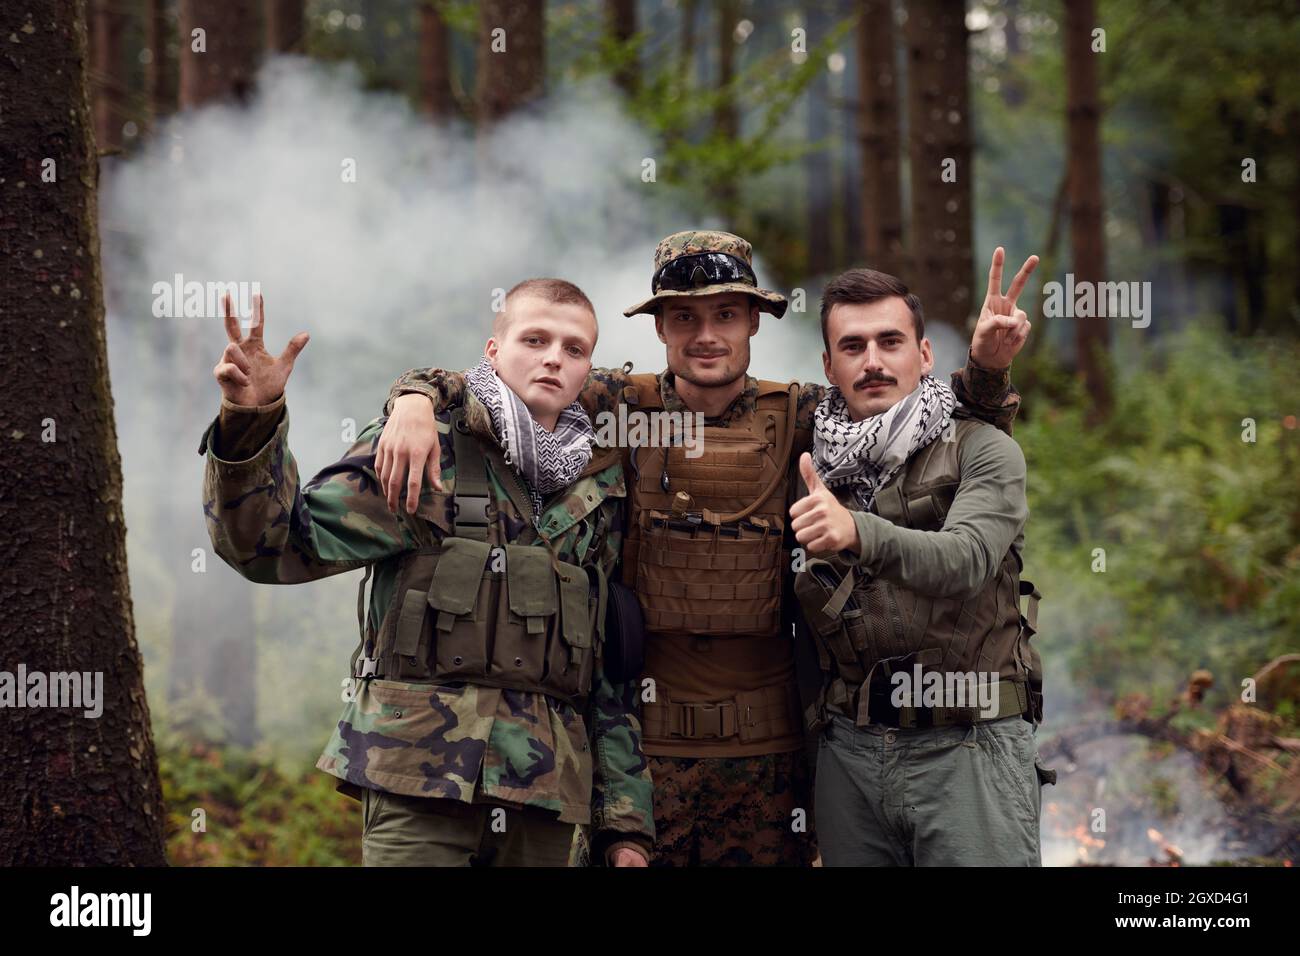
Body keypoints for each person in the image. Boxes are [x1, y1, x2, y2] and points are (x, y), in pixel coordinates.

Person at [372, 231, 1031, 866]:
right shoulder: (614, 404)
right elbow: (499, 383)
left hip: (772, 759)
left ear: (755, 322)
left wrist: (986, 375)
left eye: (725, 314)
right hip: (644, 757)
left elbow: (923, 424)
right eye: (684, 317)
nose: (707, 335)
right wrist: (415, 399)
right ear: (660, 328)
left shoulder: (806, 415)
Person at [198, 281, 654, 866]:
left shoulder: (598, 486)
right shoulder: (425, 444)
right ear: (493, 350)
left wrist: (626, 826)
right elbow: (271, 547)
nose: (552, 358)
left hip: (545, 797)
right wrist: (251, 421)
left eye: (574, 348)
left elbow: (607, 674)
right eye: (534, 339)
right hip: (420, 781)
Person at [788, 261, 1054, 866]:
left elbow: (965, 561)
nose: (872, 361)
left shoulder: (984, 448)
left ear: (926, 354)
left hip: (968, 748)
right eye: (851, 346)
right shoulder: (811, 457)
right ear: (828, 367)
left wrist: (857, 530)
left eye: (891, 341)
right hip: (850, 754)